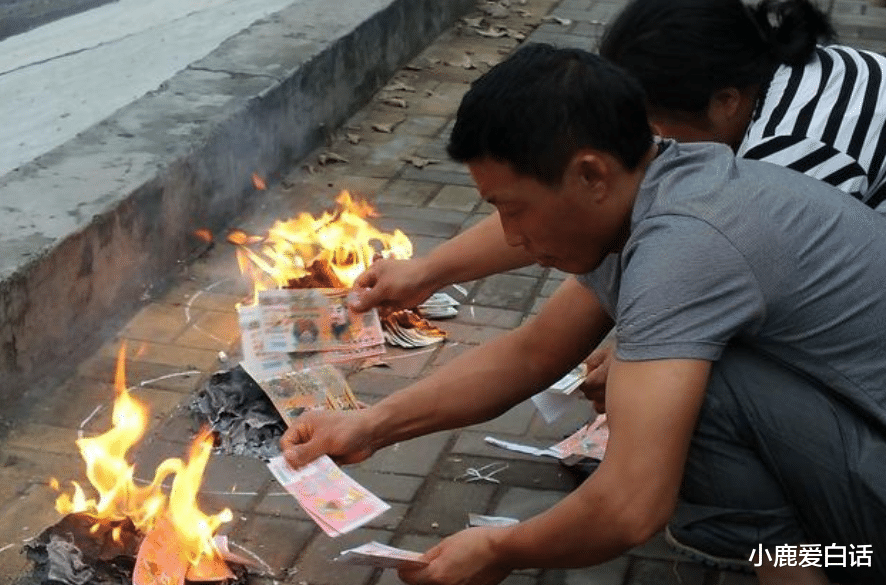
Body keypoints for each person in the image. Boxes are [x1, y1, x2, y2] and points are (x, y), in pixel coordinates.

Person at [283, 44, 886, 584]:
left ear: (591, 174)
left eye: (513, 208)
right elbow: (533, 354)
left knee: (680, 390)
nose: (511, 237)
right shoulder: (659, 188)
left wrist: (500, 549)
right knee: (674, 381)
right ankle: (806, 563)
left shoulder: (685, 248)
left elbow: (631, 505)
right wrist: (370, 424)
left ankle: (825, 564)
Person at [348, 0, 886, 412]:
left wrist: (641, 349)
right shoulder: (761, 84)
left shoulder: (795, 157)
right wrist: (428, 271)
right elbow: (552, 222)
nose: (633, 141)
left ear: (725, 101)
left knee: (691, 392)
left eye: (650, 126)